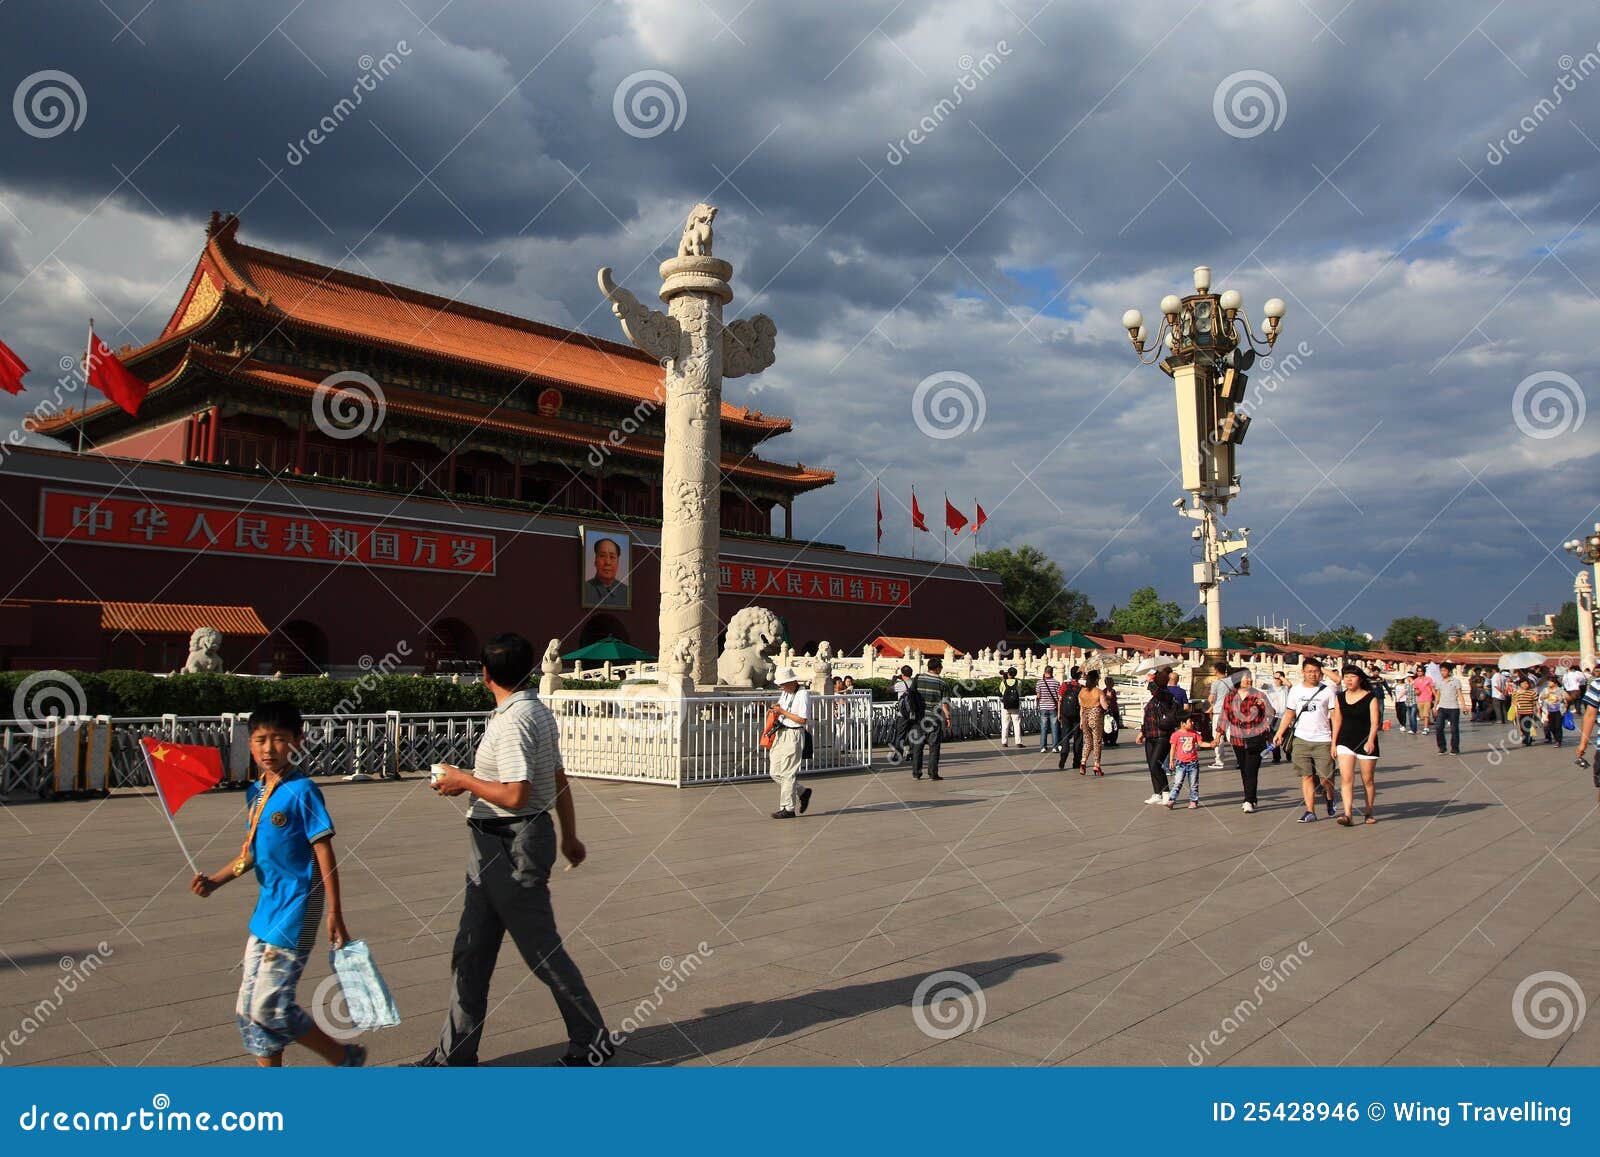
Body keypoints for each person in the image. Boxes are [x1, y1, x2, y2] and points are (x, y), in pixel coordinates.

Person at [411, 633, 611, 1067]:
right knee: (472, 949)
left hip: (510, 841)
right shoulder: (536, 711)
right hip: (498, 842)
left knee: (541, 951)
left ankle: (592, 1038)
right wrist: (569, 835)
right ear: (531, 671)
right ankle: (455, 1053)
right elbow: (557, 779)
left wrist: (461, 780)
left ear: (484, 675)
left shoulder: (513, 722)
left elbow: (517, 794)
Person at [191, 701, 365, 1068]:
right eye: (259, 740)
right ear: (250, 744)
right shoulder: (255, 794)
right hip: (267, 911)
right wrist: (215, 881)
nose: (268, 749)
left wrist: (335, 912)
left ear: (298, 741)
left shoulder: (303, 791)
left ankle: (342, 1055)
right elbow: (253, 852)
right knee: (248, 1009)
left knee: (269, 1006)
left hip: (297, 909)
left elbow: (324, 851)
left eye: (279, 740)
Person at [1272, 658, 1338, 823]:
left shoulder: (1328, 690)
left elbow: (1335, 718)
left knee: (1325, 778)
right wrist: (1279, 733)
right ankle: (1310, 811)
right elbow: (1289, 713)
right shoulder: (1295, 691)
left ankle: (1330, 798)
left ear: (1320, 672)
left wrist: (1335, 741)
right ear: (1303, 672)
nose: (1312, 675)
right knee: (1306, 776)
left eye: (1316, 671)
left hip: (1323, 739)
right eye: (1309, 671)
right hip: (1301, 739)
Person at [1329, 665, 1380, 825]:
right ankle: (1348, 814)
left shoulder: (1370, 697)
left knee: (1367, 779)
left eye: (1352, 676)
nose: (1348, 680)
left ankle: (1368, 812)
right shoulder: (1340, 697)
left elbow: (1375, 722)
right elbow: (1337, 721)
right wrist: (1334, 743)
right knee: (1346, 778)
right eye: (1346, 677)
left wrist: (1371, 740)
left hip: (1366, 741)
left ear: (1360, 679)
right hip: (1345, 741)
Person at [765, 666, 813, 818]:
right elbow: (781, 708)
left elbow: (803, 719)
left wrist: (782, 712)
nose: (781, 687)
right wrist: (775, 709)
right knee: (775, 772)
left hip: (793, 734)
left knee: (788, 773)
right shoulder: (785, 693)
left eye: (783, 684)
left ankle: (788, 808)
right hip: (780, 732)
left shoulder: (802, 694)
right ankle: (802, 792)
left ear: (792, 681)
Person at [1222, 671, 1272, 813]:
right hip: (1237, 737)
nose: (1249, 680)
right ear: (1237, 680)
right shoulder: (1230, 696)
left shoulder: (1259, 695)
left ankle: (1248, 800)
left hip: (1256, 737)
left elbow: (1271, 713)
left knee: (1251, 769)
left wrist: (1264, 705)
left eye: (1250, 678)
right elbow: (1225, 715)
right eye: (1246, 678)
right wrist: (1218, 734)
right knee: (1244, 769)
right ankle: (1251, 796)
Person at [1136, 667, 1184, 804]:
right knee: (1151, 766)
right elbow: (1148, 716)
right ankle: (1157, 793)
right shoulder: (1154, 699)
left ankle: (1166, 792)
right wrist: (1142, 732)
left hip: (1163, 735)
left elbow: (1156, 691)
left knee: (1155, 764)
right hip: (1150, 735)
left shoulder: (1166, 695)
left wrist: (1151, 680)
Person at [910, 657, 952, 781]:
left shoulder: (918, 678)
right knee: (934, 747)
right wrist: (948, 717)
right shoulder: (942, 683)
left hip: (919, 718)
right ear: (938, 668)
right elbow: (944, 703)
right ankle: (933, 773)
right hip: (934, 719)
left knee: (918, 746)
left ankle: (916, 773)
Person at [1165, 710, 1210, 809]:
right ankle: (1171, 800)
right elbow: (1172, 748)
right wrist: (1171, 760)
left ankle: (1193, 800)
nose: (1192, 723)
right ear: (1183, 723)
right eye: (1190, 721)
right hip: (1180, 763)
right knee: (1177, 783)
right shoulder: (1175, 735)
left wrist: (1211, 744)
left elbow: (1201, 743)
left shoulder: (1194, 733)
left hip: (1193, 763)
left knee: (1194, 784)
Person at [583, 537, 629, 607]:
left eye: (612, 557)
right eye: (602, 556)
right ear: (595, 560)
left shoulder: (627, 592)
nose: (607, 562)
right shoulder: (584, 590)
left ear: (618, 562)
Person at [1077, 670, 1108, 776]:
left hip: (1085, 718)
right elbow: (1105, 706)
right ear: (1095, 680)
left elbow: (1081, 708)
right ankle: (1096, 765)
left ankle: (1083, 762)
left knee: (1087, 742)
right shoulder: (1098, 691)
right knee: (1097, 742)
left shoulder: (1082, 692)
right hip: (1096, 718)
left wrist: (1081, 720)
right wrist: (1107, 697)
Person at [1205, 659, 1233, 770]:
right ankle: (1240, 758)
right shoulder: (1231, 681)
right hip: (1230, 711)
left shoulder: (1215, 683)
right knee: (1231, 736)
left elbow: (1211, 699)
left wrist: (1210, 701)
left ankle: (1219, 760)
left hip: (1218, 712)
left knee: (1217, 736)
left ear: (1216, 671)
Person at [1433, 661, 1466, 756]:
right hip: (1442, 708)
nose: (1442, 672)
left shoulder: (1456, 681)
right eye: (1441, 670)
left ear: (1449, 671)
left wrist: (1464, 706)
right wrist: (1435, 706)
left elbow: (1459, 694)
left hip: (1453, 708)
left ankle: (1455, 748)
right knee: (1438, 727)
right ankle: (1442, 747)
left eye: (1444, 670)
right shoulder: (1439, 682)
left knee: (1454, 729)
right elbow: (1438, 695)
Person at [1056, 666, 1083, 770]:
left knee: (1065, 737)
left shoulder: (1065, 685)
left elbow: (1060, 699)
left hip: (1065, 715)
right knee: (1078, 739)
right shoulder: (1081, 688)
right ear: (1079, 675)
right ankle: (1076, 761)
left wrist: (1059, 713)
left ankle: (1063, 756)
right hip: (1077, 716)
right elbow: (1082, 704)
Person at [890, 664, 915, 760]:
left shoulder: (900, 684)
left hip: (903, 714)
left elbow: (889, 690)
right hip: (913, 713)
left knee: (900, 734)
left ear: (903, 674)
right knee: (911, 733)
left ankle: (898, 754)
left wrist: (893, 680)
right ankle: (910, 754)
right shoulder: (914, 683)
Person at [1035, 666, 1061, 752]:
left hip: (1043, 707)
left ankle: (1043, 747)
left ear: (1044, 672)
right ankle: (1055, 747)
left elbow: (1038, 696)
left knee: (1043, 728)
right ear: (1052, 672)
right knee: (1054, 728)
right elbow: (1058, 697)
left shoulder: (1039, 683)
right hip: (1053, 707)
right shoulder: (1056, 683)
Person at [1266, 671, 1290, 763]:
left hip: (1284, 716)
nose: (1276, 680)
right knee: (1273, 737)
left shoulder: (1285, 688)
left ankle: (1288, 752)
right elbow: (1261, 686)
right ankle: (1276, 757)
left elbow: (1289, 684)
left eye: (1278, 678)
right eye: (1275, 678)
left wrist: (1280, 677)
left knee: (1285, 736)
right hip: (1273, 716)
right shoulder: (1270, 688)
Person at [998, 666, 1023, 748]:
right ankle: (1018, 742)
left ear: (1008, 673)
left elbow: (1001, 691)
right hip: (1015, 705)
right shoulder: (1018, 682)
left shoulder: (1003, 682)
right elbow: (1019, 693)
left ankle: (1004, 742)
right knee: (1016, 723)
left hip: (1005, 705)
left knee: (1005, 724)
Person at [1512, 676, 1540, 746]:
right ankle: (1527, 738)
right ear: (1520, 684)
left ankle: (1527, 740)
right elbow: (1514, 702)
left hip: (1529, 712)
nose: (1526, 685)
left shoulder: (1532, 692)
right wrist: (1514, 711)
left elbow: (1536, 702)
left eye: (1527, 684)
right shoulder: (1516, 693)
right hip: (1520, 712)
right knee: (1522, 727)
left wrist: (1538, 710)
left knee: (1527, 726)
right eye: (1524, 683)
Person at [1541, 677, 1567, 747]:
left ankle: (1558, 741)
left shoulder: (1560, 690)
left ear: (1555, 683)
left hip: (1559, 711)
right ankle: (1556, 738)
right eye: (1548, 682)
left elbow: (1568, 697)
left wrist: (1560, 698)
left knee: (1558, 726)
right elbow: (1541, 698)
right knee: (1551, 727)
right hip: (1548, 711)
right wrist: (1546, 695)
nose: (1548, 683)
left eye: (1550, 682)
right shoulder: (1545, 690)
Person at [1412, 665, 1435, 734]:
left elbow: (1433, 688)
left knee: (1426, 714)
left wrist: (1436, 696)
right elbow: (1416, 690)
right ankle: (1429, 722)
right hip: (1420, 699)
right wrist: (1416, 692)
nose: (1419, 672)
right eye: (1418, 671)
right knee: (1422, 716)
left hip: (1428, 698)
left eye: (1420, 671)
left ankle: (1426, 728)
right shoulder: (1416, 680)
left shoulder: (1428, 679)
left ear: (1423, 672)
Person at [1101, 679, 1122, 748]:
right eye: (1111, 683)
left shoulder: (1113, 691)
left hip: (1114, 710)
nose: (1112, 684)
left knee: (1115, 726)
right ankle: (1106, 740)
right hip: (1107, 711)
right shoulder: (1104, 691)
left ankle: (1113, 741)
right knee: (1107, 726)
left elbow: (1114, 700)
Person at [1391, 670, 1412, 734]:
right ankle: (1401, 723)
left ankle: (1403, 724)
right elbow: (1392, 691)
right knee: (1398, 714)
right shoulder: (1395, 685)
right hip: (1397, 701)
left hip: (1404, 700)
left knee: (1403, 713)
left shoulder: (1405, 685)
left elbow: (1407, 691)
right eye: (1398, 679)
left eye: (1400, 679)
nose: (1399, 680)